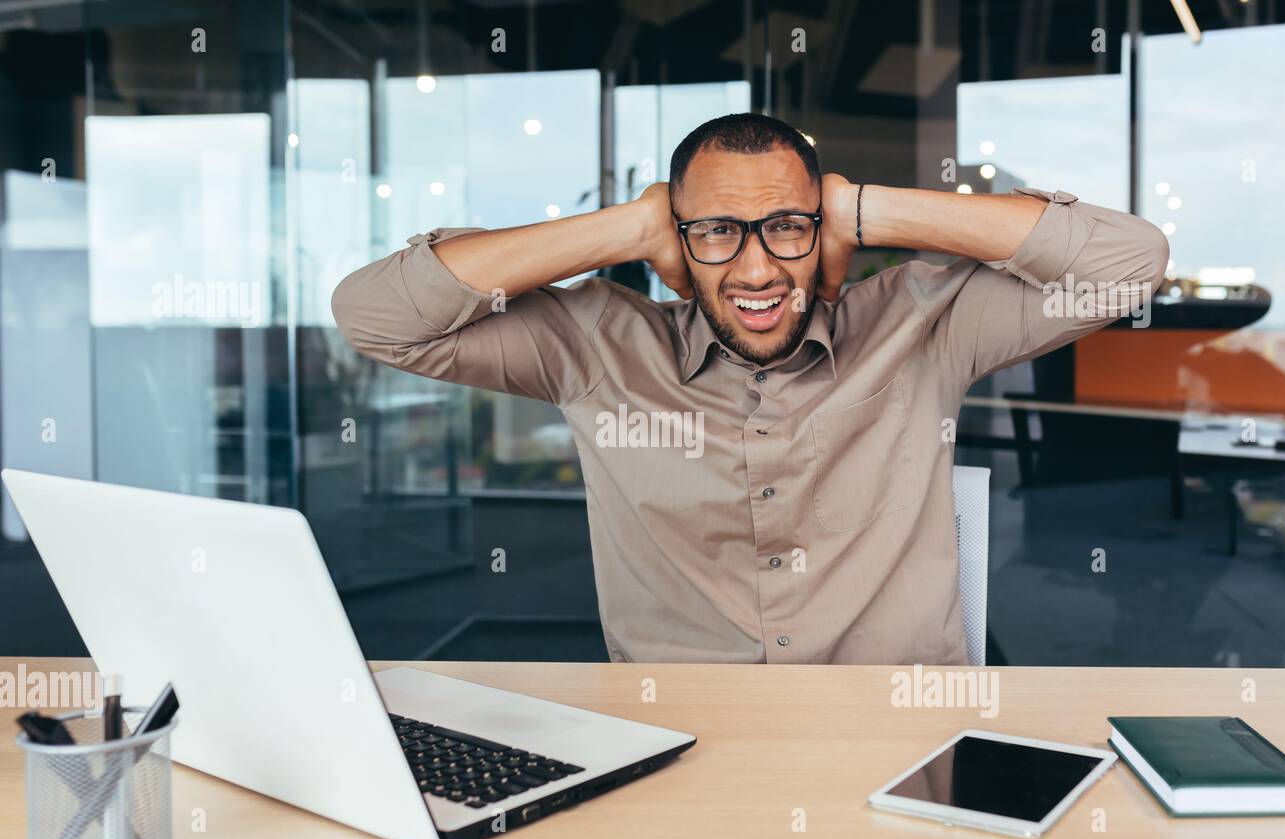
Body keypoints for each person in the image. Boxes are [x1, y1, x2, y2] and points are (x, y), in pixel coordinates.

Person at [331, 112, 1168, 665]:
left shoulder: (920, 327)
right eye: (719, 232)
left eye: (788, 227)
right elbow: (377, 316)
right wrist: (628, 226)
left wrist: (863, 206)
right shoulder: (594, 347)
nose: (758, 268)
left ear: (821, 231)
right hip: (681, 745)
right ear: (680, 239)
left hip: (890, 742)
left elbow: (1129, 267)